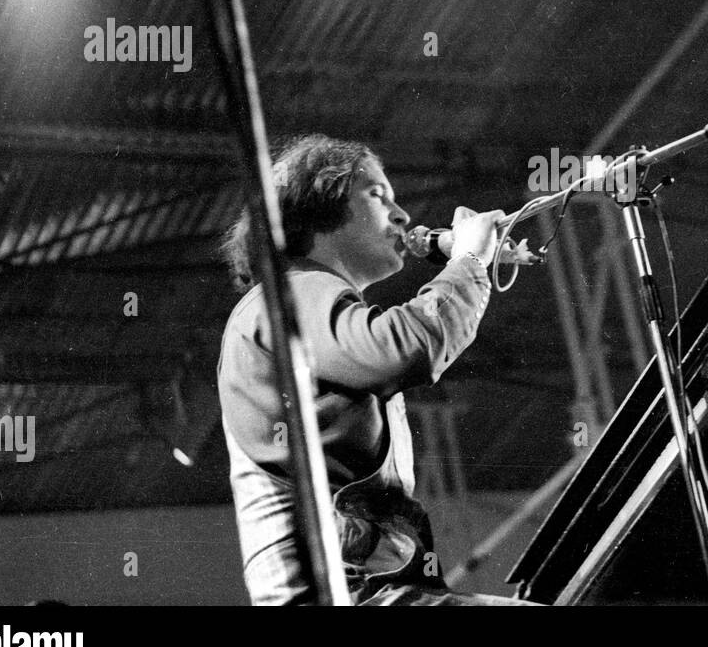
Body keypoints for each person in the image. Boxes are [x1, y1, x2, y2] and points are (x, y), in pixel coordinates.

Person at [218, 133, 533, 605]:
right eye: (377, 195)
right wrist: (469, 260)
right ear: (319, 206)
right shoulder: (287, 294)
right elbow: (409, 346)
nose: (402, 215)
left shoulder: (309, 303)